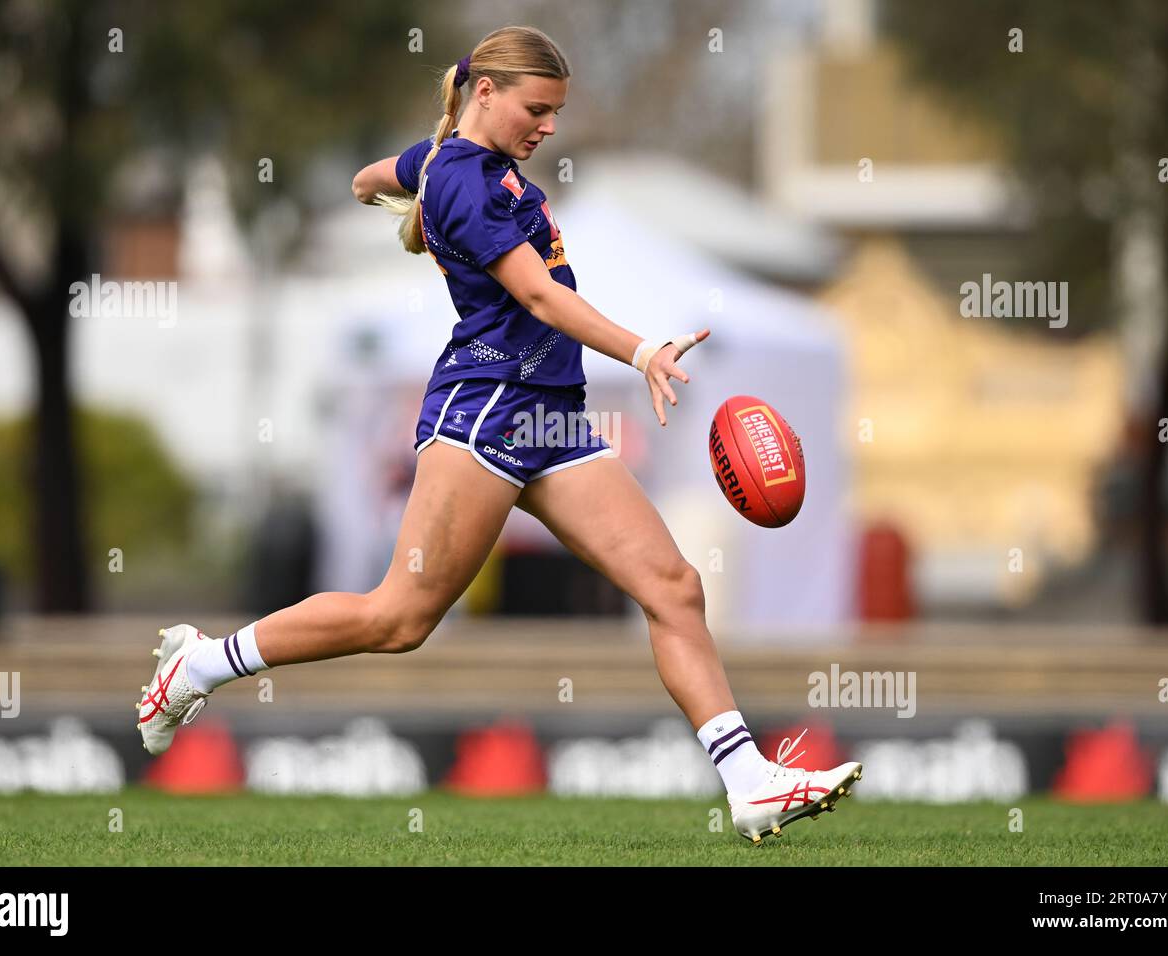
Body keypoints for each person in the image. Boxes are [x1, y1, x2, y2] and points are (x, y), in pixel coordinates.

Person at [135, 25, 860, 843]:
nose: (547, 126)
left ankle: (749, 782)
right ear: (487, 92)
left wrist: (412, 187)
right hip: (485, 410)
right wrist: (643, 349)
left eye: (554, 112)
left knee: (674, 587)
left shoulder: (452, 165)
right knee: (397, 620)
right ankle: (197, 665)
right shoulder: (470, 187)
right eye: (537, 108)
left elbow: (365, 179)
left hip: (553, 414)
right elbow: (543, 300)